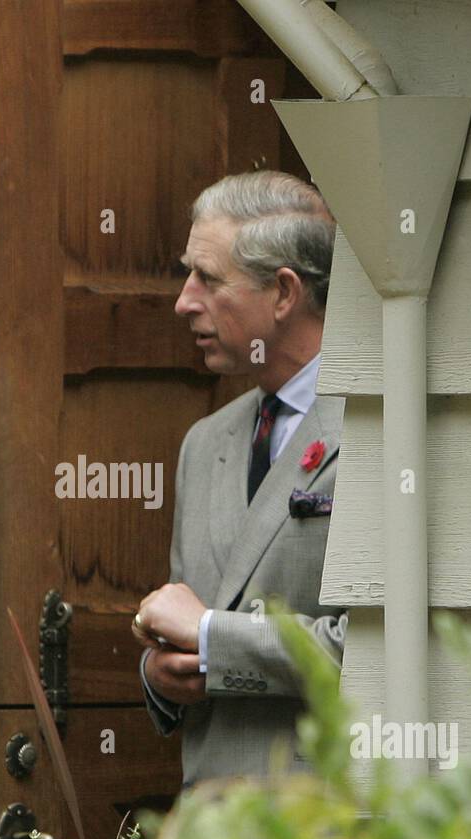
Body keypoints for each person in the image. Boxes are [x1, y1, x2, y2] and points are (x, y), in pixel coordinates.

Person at [133, 170, 347, 787]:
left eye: (208, 278)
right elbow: (186, 626)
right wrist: (159, 677)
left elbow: (372, 648)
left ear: (284, 293)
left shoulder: (378, 432)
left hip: (324, 838)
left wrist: (211, 636)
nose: (184, 301)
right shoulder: (206, 442)